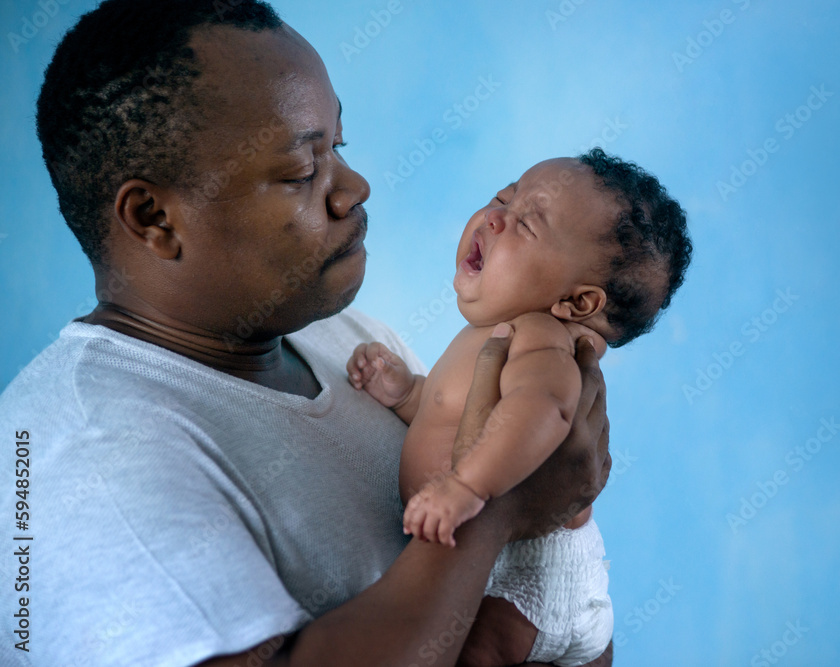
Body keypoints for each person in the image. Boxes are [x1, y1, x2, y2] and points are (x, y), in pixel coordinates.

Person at [0, 1, 614, 665]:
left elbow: (566, 627)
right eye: (301, 171)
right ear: (154, 217)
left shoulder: (346, 341)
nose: (354, 188)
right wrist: (496, 506)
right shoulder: (85, 460)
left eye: (340, 146)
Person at [346, 152, 692, 665]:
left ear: (577, 304)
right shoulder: (498, 335)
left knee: (464, 654)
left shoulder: (542, 337)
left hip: (531, 578)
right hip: (501, 567)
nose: (493, 216)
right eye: (503, 196)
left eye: (525, 224)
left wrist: (467, 487)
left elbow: (542, 412)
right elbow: (456, 414)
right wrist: (406, 395)